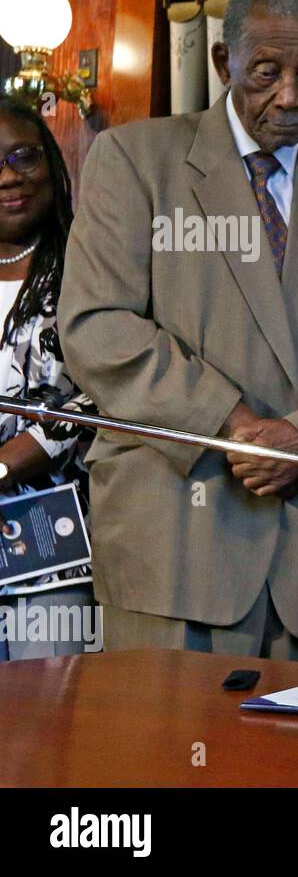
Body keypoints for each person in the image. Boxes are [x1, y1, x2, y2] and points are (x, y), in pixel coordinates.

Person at [57, 0, 298, 660]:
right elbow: (98, 325)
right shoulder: (136, 161)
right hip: (175, 535)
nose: (288, 95)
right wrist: (235, 424)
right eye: (265, 73)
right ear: (223, 64)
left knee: (297, 762)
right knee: (158, 761)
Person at [0, 98, 97, 661]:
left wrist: (15, 456)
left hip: (52, 534)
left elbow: (108, 386)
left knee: (47, 713)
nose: (10, 175)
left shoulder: (90, 265)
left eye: (24, 156)